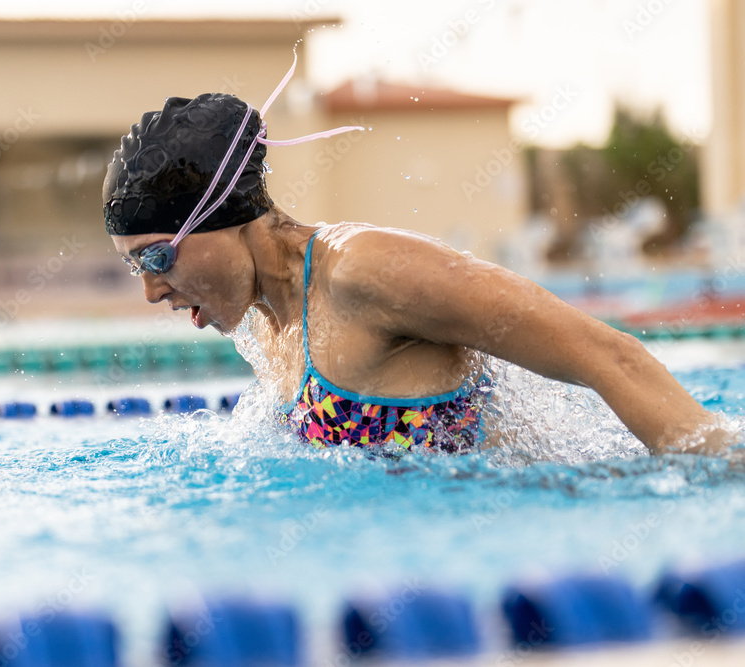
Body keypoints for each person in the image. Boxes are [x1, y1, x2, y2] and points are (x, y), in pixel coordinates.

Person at [102, 61, 737, 457]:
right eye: (137, 266)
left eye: (157, 256)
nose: (153, 290)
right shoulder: (269, 325)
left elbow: (605, 354)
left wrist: (718, 473)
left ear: (222, 216)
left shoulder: (363, 272)